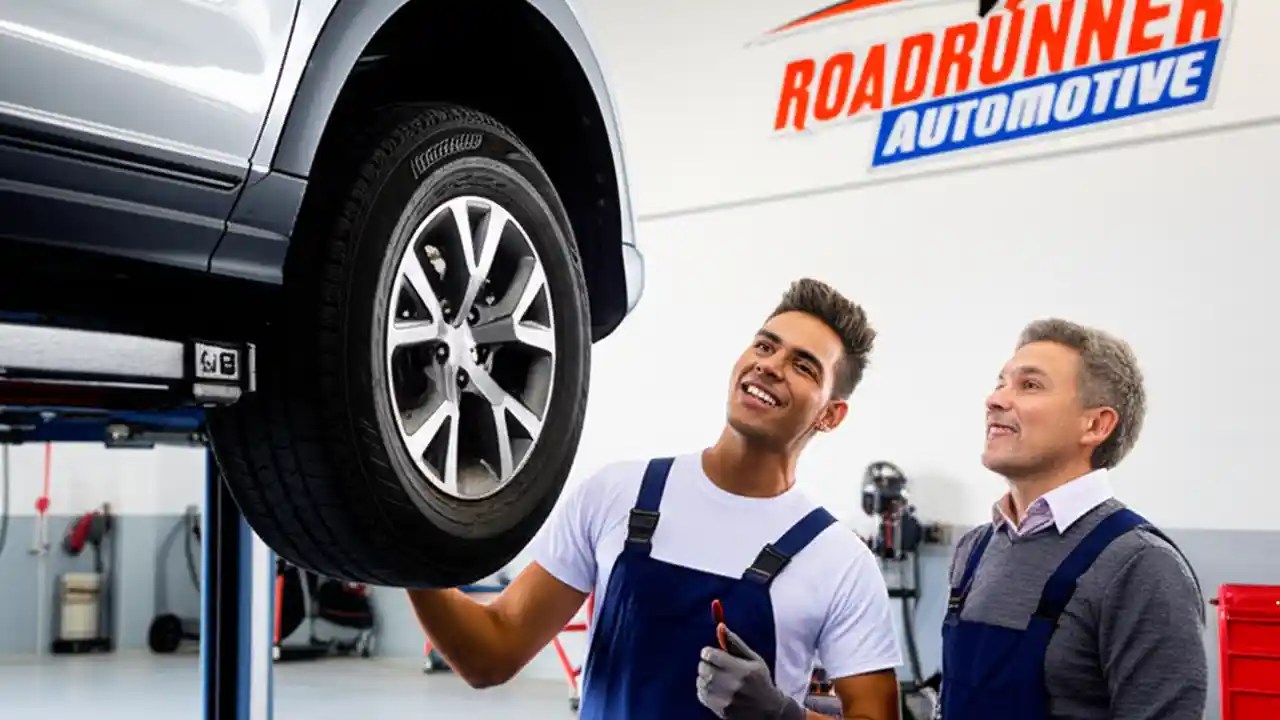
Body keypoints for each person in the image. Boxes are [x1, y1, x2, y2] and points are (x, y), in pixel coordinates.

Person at [407, 278, 903, 719]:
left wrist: (780, 716)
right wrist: (398, 545)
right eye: (765, 345)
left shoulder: (839, 562)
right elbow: (491, 654)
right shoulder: (617, 494)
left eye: (803, 366)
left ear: (831, 415)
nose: (770, 366)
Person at [936, 318, 1207, 719]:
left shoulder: (1141, 565)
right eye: (1001, 382)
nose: (994, 400)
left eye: (1030, 385)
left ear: (1095, 425)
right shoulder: (974, 549)